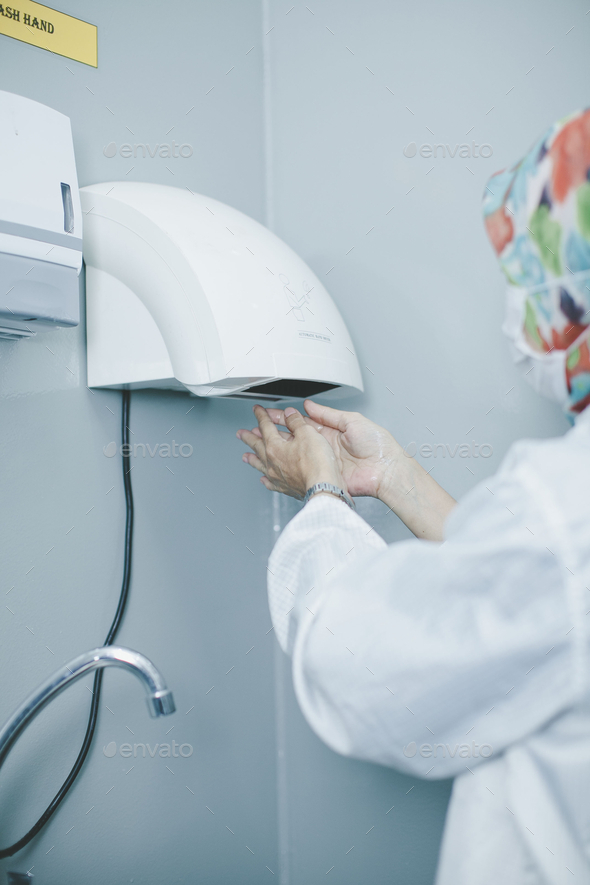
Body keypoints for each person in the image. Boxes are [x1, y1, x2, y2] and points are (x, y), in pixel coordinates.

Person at [237, 108, 590, 885]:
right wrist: (392, 474)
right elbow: (534, 604)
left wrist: (322, 494)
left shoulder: (568, 502)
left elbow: (364, 670)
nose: (519, 310)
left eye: (528, 281)